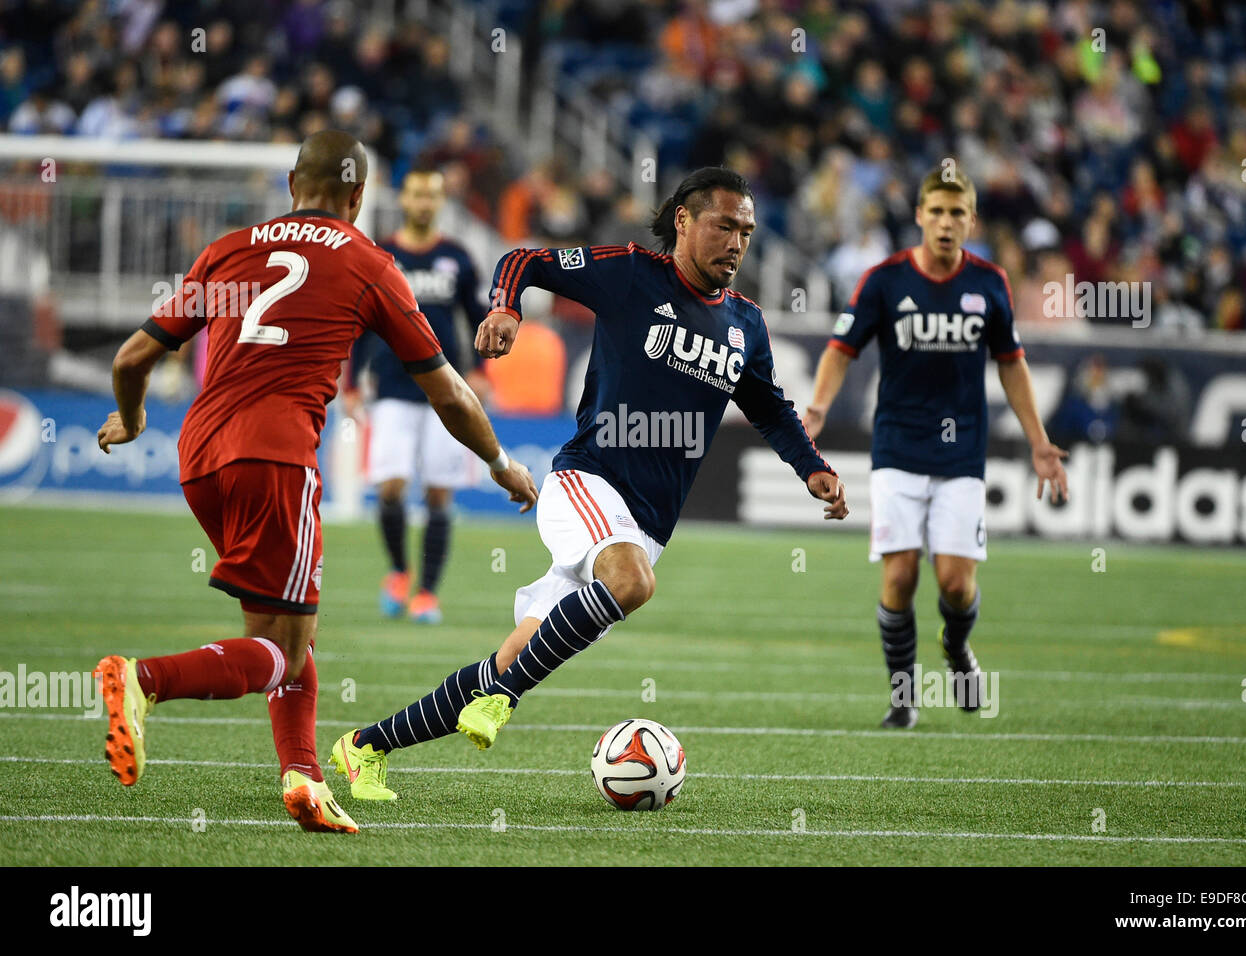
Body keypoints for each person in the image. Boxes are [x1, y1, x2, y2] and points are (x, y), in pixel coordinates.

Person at [329, 167, 847, 800]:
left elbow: (769, 407)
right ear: (684, 221)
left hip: (647, 524)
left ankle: (364, 746)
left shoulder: (746, 324)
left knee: (517, 650)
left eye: (746, 231)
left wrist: (812, 467)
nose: (737, 243)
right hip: (587, 481)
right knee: (630, 582)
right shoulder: (631, 273)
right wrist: (504, 308)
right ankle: (503, 698)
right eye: (724, 226)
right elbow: (525, 259)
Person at [92, 130, 537, 832]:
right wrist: (501, 464)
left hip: (200, 455)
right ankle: (143, 679)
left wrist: (131, 417)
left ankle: (302, 778)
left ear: (292, 182)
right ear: (359, 198)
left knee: (283, 629)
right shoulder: (367, 262)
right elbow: (450, 395)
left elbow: (133, 356)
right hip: (277, 458)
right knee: (282, 652)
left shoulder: (228, 249)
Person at [803, 167, 1068, 729]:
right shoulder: (884, 281)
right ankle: (903, 699)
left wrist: (1039, 443)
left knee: (955, 582)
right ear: (921, 216)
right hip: (898, 445)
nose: (946, 223)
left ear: (970, 220)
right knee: (899, 578)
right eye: (937, 212)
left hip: (962, 453)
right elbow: (840, 348)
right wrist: (820, 407)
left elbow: (1012, 366)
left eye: (957, 213)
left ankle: (956, 648)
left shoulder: (990, 283)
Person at [345, 168, 493, 624]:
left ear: (441, 200)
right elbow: (361, 322)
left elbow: (477, 314)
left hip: (446, 391)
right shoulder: (381, 255)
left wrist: (483, 370)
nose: (424, 202)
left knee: (438, 494)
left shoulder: (458, 257)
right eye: (416, 194)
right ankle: (398, 571)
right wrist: (351, 382)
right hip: (391, 384)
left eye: (432, 195)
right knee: (390, 487)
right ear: (404, 199)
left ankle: (428, 592)